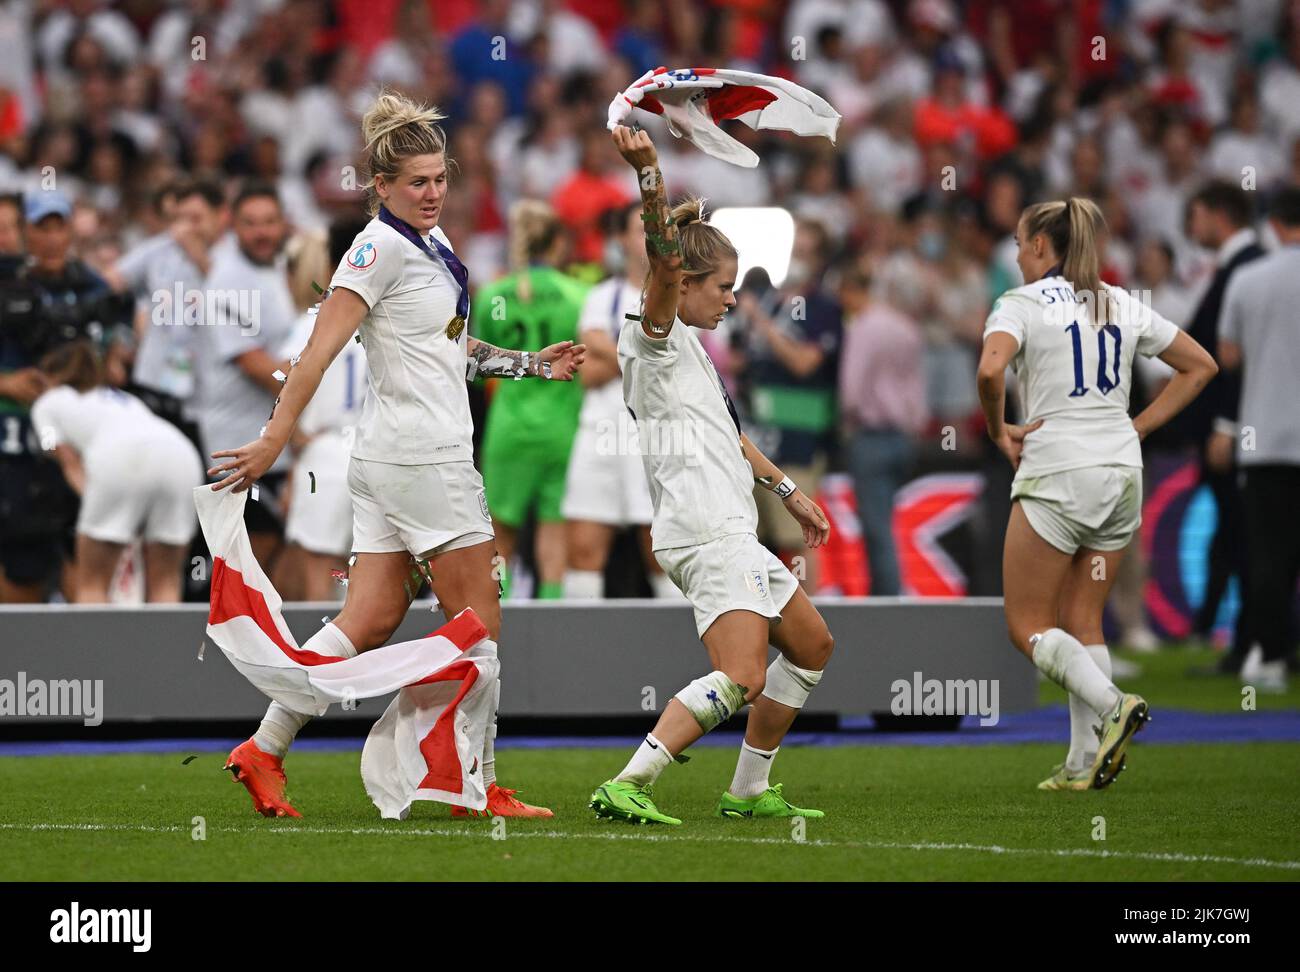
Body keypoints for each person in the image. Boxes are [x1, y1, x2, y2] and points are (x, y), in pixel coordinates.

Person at [207, 90, 583, 819]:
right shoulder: (377, 247)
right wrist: (273, 441)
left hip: (388, 458)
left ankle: (264, 748)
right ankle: (476, 787)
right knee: (479, 621)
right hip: (424, 459)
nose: (434, 192)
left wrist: (529, 365)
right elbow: (318, 353)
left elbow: (448, 349)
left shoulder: (429, 245)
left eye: (441, 178)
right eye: (418, 182)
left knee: (371, 618)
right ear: (380, 186)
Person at [589, 124, 835, 826]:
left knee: (812, 644)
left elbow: (729, 438)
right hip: (704, 524)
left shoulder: (691, 349)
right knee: (744, 674)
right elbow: (661, 263)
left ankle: (749, 788)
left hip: (728, 520)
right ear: (685, 284)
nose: (731, 299)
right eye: (722, 287)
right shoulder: (653, 337)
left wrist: (789, 491)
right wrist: (649, 173)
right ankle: (631, 780)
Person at [976, 198, 1218, 791]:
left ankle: (1113, 705)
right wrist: (1138, 426)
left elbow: (989, 372)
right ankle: (1084, 761)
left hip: (1059, 472)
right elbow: (1201, 365)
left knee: (1025, 623)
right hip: (1122, 473)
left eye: (1017, 241)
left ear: (1038, 246)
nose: (1014, 252)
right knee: (1084, 617)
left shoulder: (1020, 303)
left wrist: (995, 429)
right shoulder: (1121, 300)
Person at [471, 199, 588, 599]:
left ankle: (496, 616)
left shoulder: (492, 294)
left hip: (509, 426)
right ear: (556, 243)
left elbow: (479, 362)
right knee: (554, 530)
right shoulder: (578, 294)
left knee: (501, 532)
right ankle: (551, 611)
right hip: (564, 426)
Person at [561, 201, 675, 599]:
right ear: (623, 239)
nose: (645, 239)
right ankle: (577, 652)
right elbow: (587, 371)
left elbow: (672, 366)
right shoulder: (602, 295)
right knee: (583, 548)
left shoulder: (678, 295)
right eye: (638, 230)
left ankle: (686, 644)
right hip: (599, 431)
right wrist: (641, 355)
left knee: (660, 550)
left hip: (653, 436)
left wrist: (613, 352)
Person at [31, 341, 202, 601]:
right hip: (182, 456)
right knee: (166, 581)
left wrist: (100, 505)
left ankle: (94, 643)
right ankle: (168, 643)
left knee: (92, 583)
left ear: (49, 376)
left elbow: (65, 457)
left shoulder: (47, 402)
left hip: (120, 459)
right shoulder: (123, 399)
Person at [1217, 186, 1300, 693]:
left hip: (1265, 437)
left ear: (1272, 224)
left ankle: (1269, 658)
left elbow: (1227, 356)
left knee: (1269, 555)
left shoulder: (1248, 278)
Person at [731, 219, 842, 593]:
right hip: (756, 433)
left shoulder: (824, 306)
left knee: (796, 533)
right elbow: (741, 360)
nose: (798, 258)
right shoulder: (767, 299)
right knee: (754, 534)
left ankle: (808, 615)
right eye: (796, 249)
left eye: (807, 252)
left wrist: (762, 323)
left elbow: (804, 363)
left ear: (820, 259)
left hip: (798, 435)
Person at [193, 182, 296, 578]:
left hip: (273, 441)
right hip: (234, 445)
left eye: (270, 222)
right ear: (232, 225)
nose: (262, 232)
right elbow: (256, 365)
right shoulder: (226, 279)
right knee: (245, 557)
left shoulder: (276, 267)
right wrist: (312, 385)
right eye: (250, 223)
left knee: (273, 554)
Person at [274, 219, 369, 602]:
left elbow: (287, 373)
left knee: (318, 569)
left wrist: (293, 437)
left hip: (326, 452)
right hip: (372, 449)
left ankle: (322, 659)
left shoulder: (317, 319)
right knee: (360, 573)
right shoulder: (375, 318)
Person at [836, 263, 928, 596]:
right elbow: (917, 385)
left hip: (871, 436)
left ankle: (888, 604)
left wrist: (846, 421)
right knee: (885, 522)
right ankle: (888, 597)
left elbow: (851, 386)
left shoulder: (865, 327)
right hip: (903, 436)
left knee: (877, 529)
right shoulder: (906, 326)